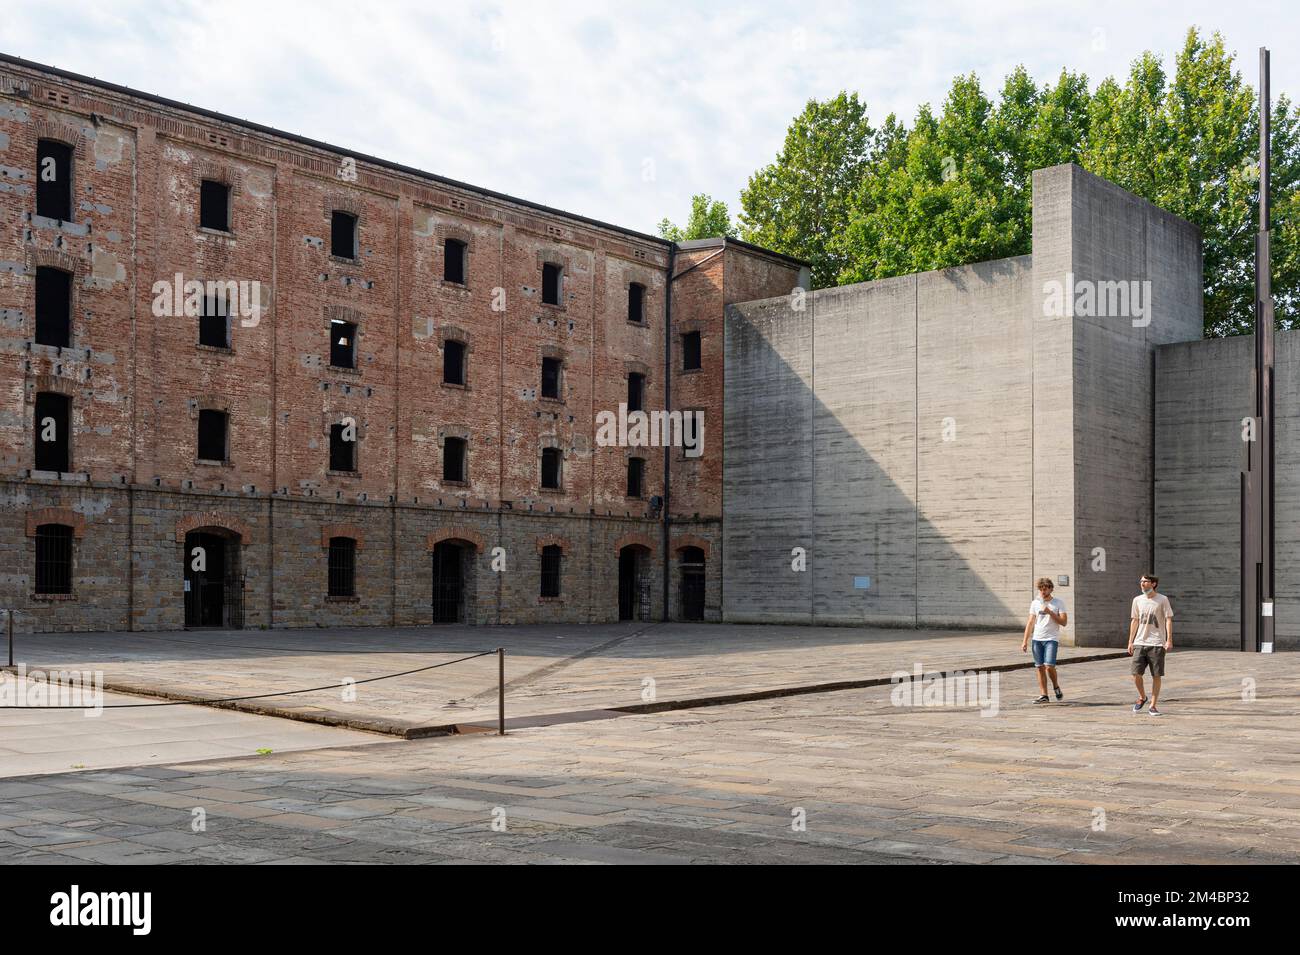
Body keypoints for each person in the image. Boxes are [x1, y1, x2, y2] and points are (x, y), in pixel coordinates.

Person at [1128, 574, 1173, 716]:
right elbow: (1134, 620)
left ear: (1153, 584)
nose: (1142, 584)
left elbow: (1168, 620)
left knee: (1156, 675)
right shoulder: (1137, 600)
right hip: (1140, 642)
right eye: (1141, 581)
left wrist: (1169, 639)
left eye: (1145, 581)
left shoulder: (1162, 599)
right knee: (1135, 673)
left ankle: (1153, 705)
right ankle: (1142, 697)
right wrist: (1130, 641)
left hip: (1157, 643)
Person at [1021, 577, 1067, 703]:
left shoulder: (1058, 603)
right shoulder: (1035, 603)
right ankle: (1044, 695)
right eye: (1041, 589)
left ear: (1051, 589)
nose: (1043, 591)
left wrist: (1051, 613)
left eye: (1045, 588)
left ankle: (1056, 686)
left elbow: (1064, 622)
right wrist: (1025, 641)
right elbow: (1030, 622)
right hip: (1037, 639)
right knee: (1040, 667)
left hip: (1051, 639)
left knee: (1049, 666)